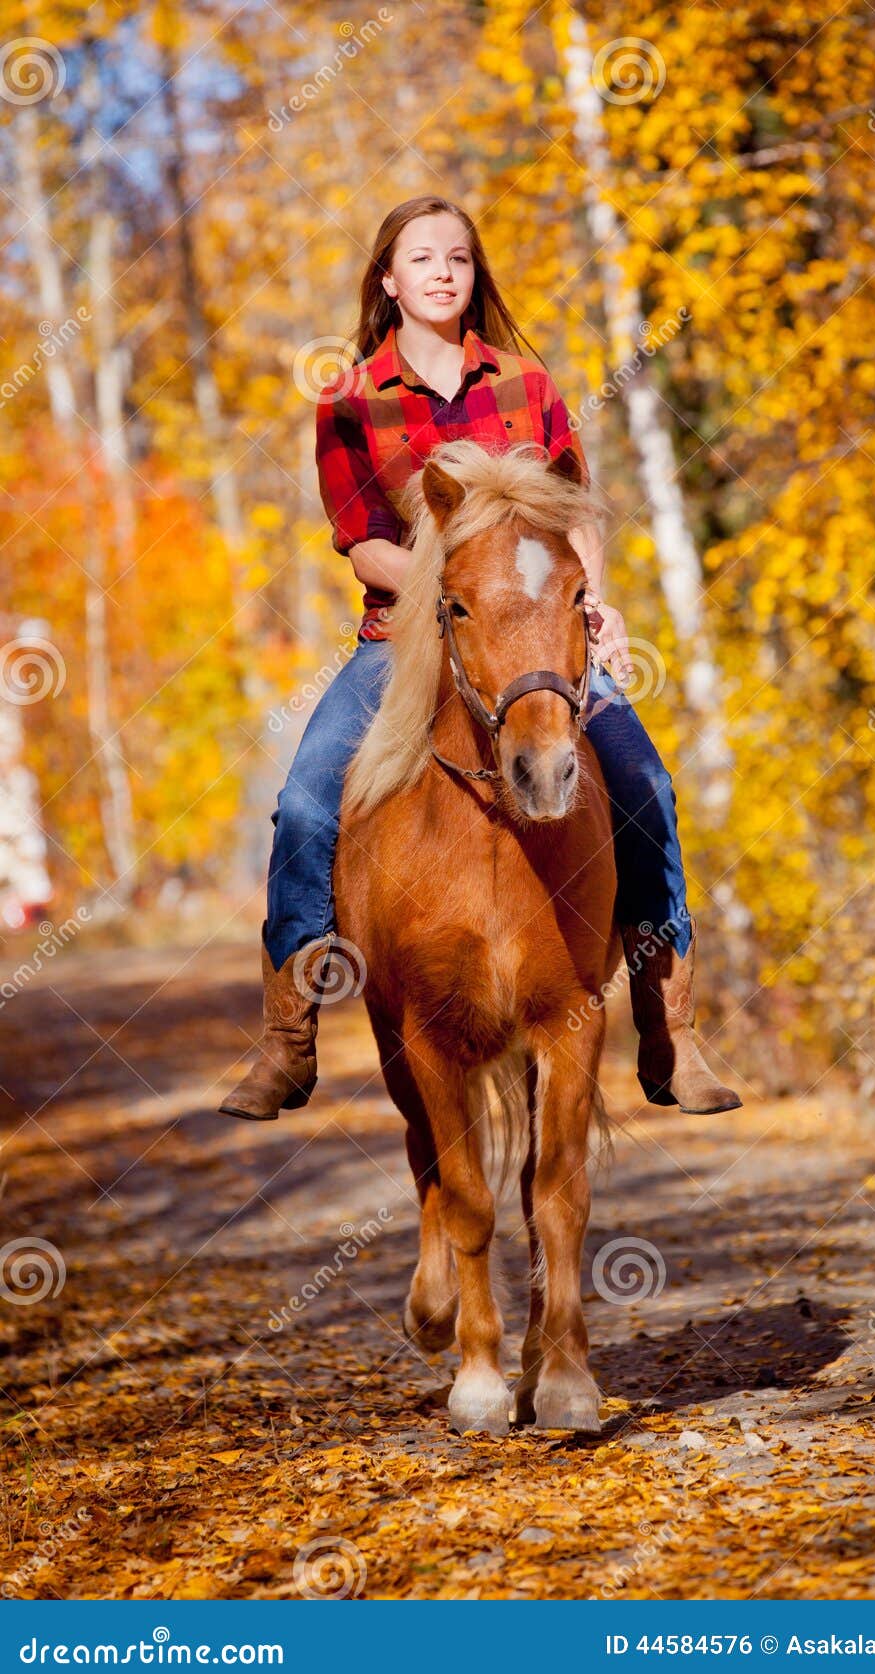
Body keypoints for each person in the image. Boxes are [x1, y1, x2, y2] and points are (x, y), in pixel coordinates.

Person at [220, 195, 740, 1121]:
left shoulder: (528, 388)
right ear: (389, 279)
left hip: (536, 640)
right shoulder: (348, 399)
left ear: (474, 274)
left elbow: (571, 512)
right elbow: (362, 541)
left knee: (644, 781)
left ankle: (670, 1025)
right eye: (421, 258)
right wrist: (453, 577)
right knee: (305, 799)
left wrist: (590, 601)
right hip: (403, 637)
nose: (442, 272)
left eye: (458, 257)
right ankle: (287, 1033)